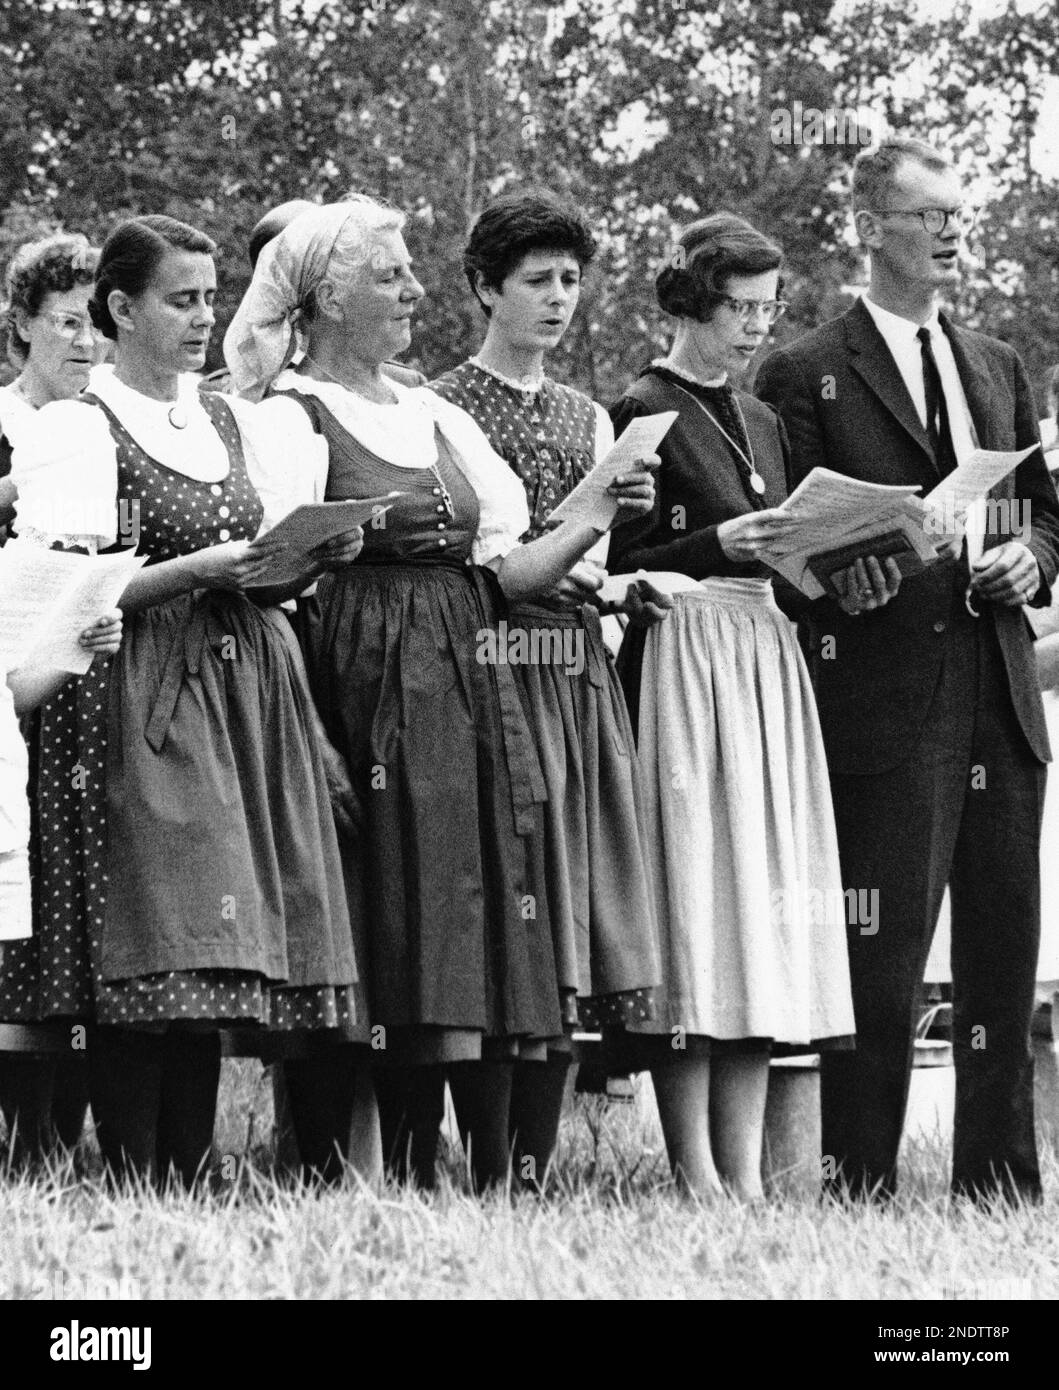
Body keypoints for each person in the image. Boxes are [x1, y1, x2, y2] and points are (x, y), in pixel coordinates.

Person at [223, 196, 655, 1192]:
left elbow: (508, 567)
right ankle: (365, 1168)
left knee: (472, 911)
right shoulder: (289, 415)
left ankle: (491, 1175)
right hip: (356, 677)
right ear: (327, 298)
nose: (416, 290)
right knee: (389, 915)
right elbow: (269, 575)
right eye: (392, 276)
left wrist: (596, 511)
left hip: (469, 673)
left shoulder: (433, 411)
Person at [2, 214, 370, 1188]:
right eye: (182, 298)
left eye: (212, 296)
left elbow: (250, 567)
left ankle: (191, 1169)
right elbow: (59, 592)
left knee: (208, 946)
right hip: (130, 694)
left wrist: (302, 562)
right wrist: (193, 569)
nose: (206, 317)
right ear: (120, 309)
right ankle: (135, 1170)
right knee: (152, 936)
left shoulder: (224, 417)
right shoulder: (78, 427)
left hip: (237, 693)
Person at [756, 137, 1059, 1204]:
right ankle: (857, 1181)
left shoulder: (998, 364)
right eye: (928, 215)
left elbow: (1043, 518)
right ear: (869, 228)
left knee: (1002, 958)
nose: (950, 231)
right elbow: (777, 549)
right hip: (881, 698)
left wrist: (1030, 556)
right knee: (878, 965)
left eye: (956, 215)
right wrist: (845, 579)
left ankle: (999, 1183)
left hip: (1001, 690)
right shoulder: (801, 370)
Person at [608, 212, 855, 1201]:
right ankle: (694, 1170)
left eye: (767, 309)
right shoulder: (641, 406)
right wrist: (719, 545)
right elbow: (616, 563)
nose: (755, 329)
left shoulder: (762, 419)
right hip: (684, 653)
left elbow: (783, 549)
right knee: (698, 895)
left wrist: (846, 553)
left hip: (764, 657)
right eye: (737, 310)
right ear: (688, 304)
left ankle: (747, 1175)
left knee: (758, 906)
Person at [428, 187, 661, 1189]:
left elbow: (595, 547)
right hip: (490, 666)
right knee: (506, 904)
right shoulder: (440, 401)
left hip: (575, 668)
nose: (559, 299)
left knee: (574, 901)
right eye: (537, 281)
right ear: (486, 287)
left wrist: (615, 559)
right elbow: (465, 549)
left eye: (571, 280)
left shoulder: (588, 411)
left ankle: (537, 1162)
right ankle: (484, 1156)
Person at [0, 232, 105, 1162]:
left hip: (89, 687)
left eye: (94, 326)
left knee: (72, 909)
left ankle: (59, 1140)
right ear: (24, 326)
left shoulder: (104, 427)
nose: (84, 344)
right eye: (67, 322)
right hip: (5, 690)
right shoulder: (4, 423)